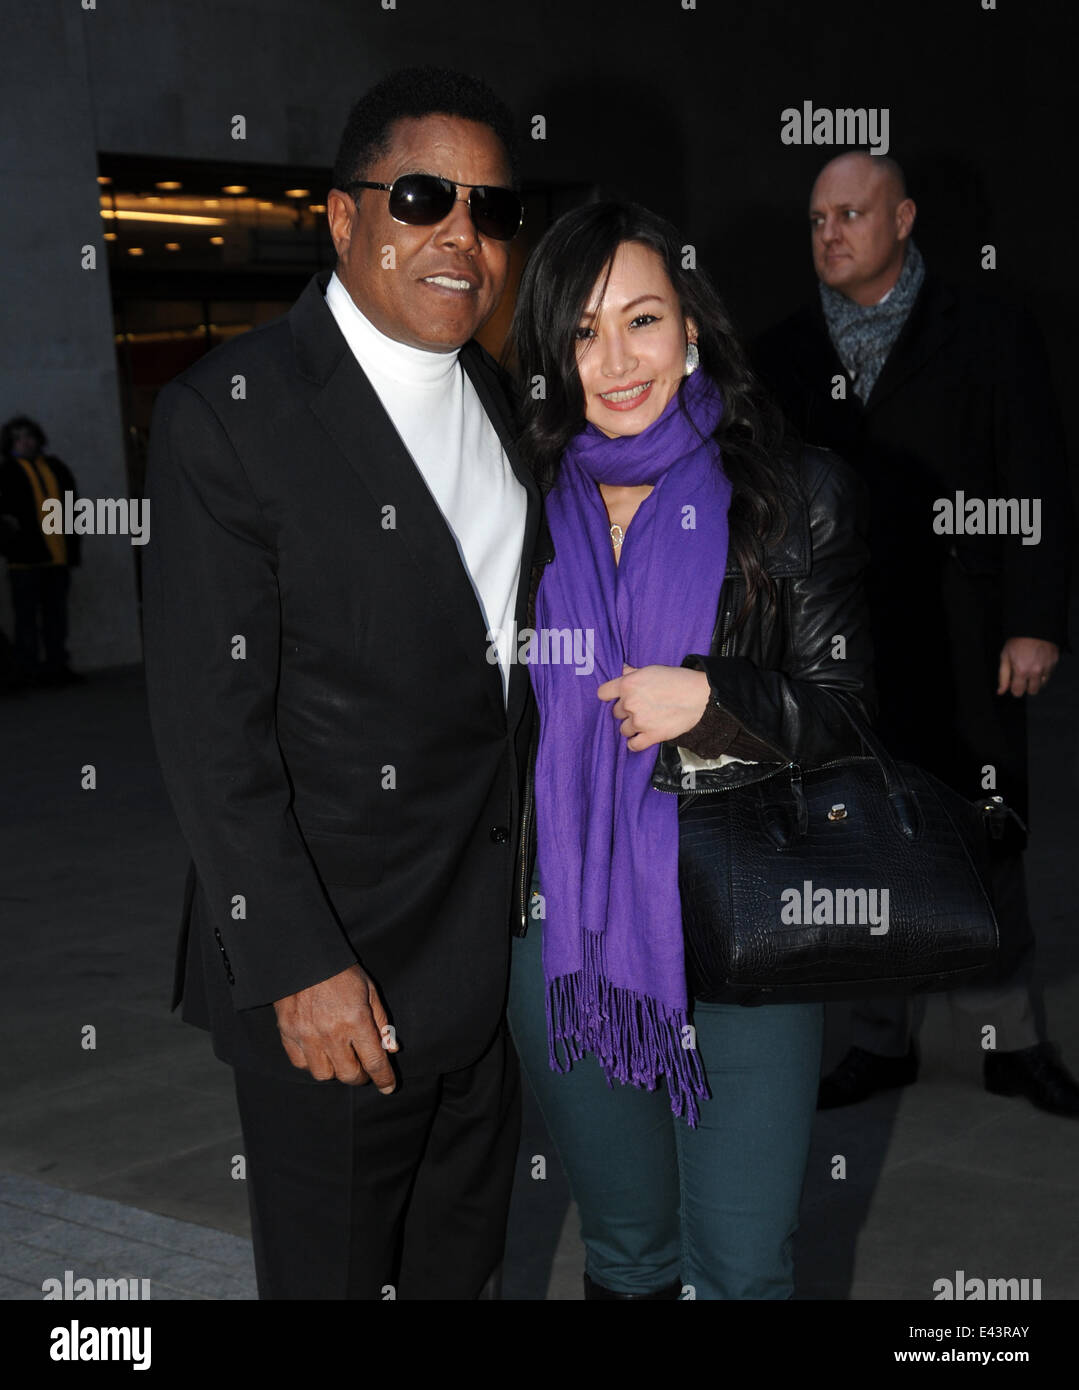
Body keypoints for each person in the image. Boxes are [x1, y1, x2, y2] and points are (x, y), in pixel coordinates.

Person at [142, 67, 540, 1300]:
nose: (460, 238)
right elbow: (211, 733)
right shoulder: (232, 414)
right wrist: (299, 968)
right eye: (422, 197)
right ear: (341, 217)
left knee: (455, 1276)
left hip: (493, 968)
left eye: (487, 209)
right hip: (336, 981)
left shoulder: (500, 395)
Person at [506, 200, 875, 1300]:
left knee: (740, 1267)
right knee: (624, 1255)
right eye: (580, 332)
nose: (614, 361)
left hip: (743, 926)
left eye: (641, 319)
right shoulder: (513, 506)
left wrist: (715, 697)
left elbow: (847, 718)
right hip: (560, 938)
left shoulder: (790, 495)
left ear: (691, 331)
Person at [754, 151, 1079, 1116]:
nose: (829, 235)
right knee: (860, 841)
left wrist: (1031, 622)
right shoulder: (784, 351)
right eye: (816, 221)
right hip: (843, 646)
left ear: (903, 220)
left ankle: (1009, 1039)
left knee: (986, 833)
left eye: (849, 216)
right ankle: (877, 1038)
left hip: (968, 636)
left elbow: (1036, 478)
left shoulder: (988, 329)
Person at [0, 415, 82, 684]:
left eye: (29, 436)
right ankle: (29, 671)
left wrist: (73, 547)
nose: (25, 442)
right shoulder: (6, 472)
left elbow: (73, 506)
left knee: (56, 618)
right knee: (26, 620)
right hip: (24, 560)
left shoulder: (55, 467)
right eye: (18, 437)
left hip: (57, 556)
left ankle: (56, 667)